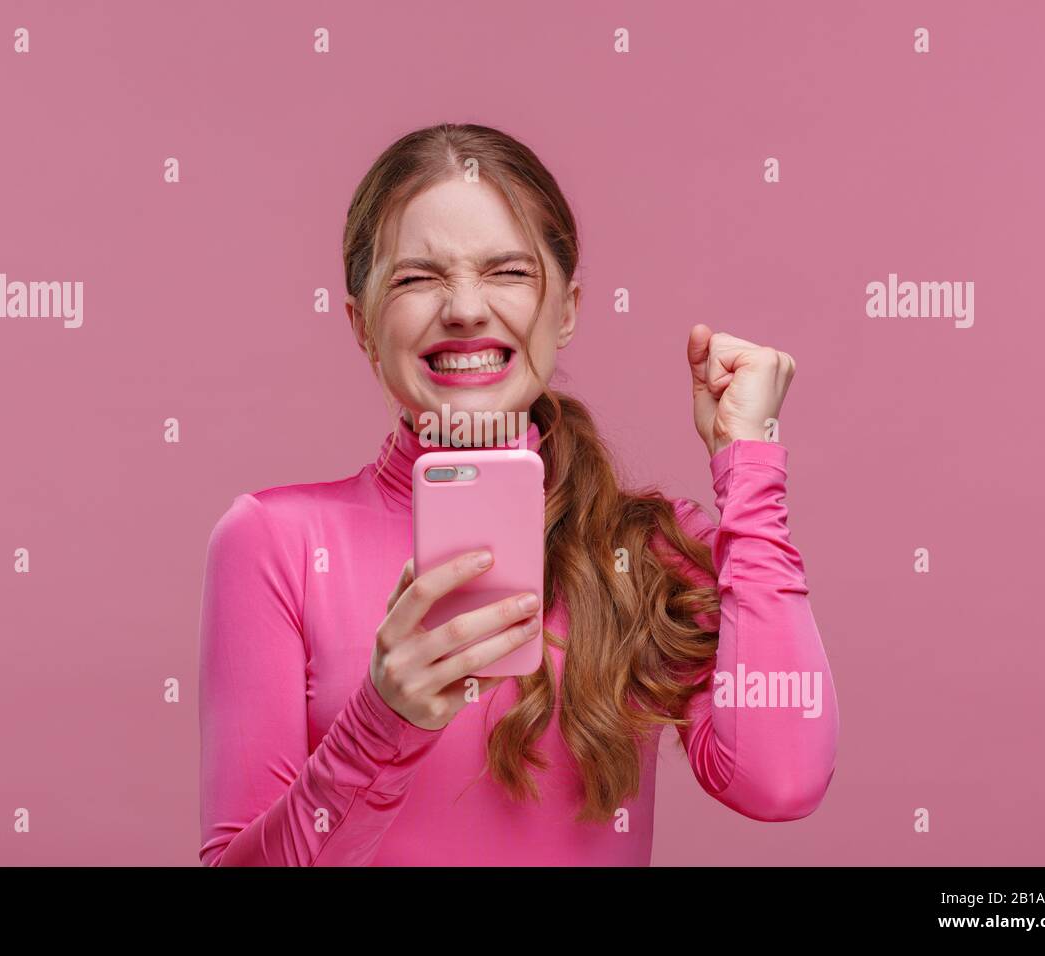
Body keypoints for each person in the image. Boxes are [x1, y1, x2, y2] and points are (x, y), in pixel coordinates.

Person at [197, 123, 838, 866]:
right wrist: (381, 723)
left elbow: (781, 781)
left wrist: (749, 462)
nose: (465, 308)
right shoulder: (273, 542)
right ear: (363, 327)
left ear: (565, 309)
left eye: (507, 271)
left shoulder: (649, 550)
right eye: (416, 278)